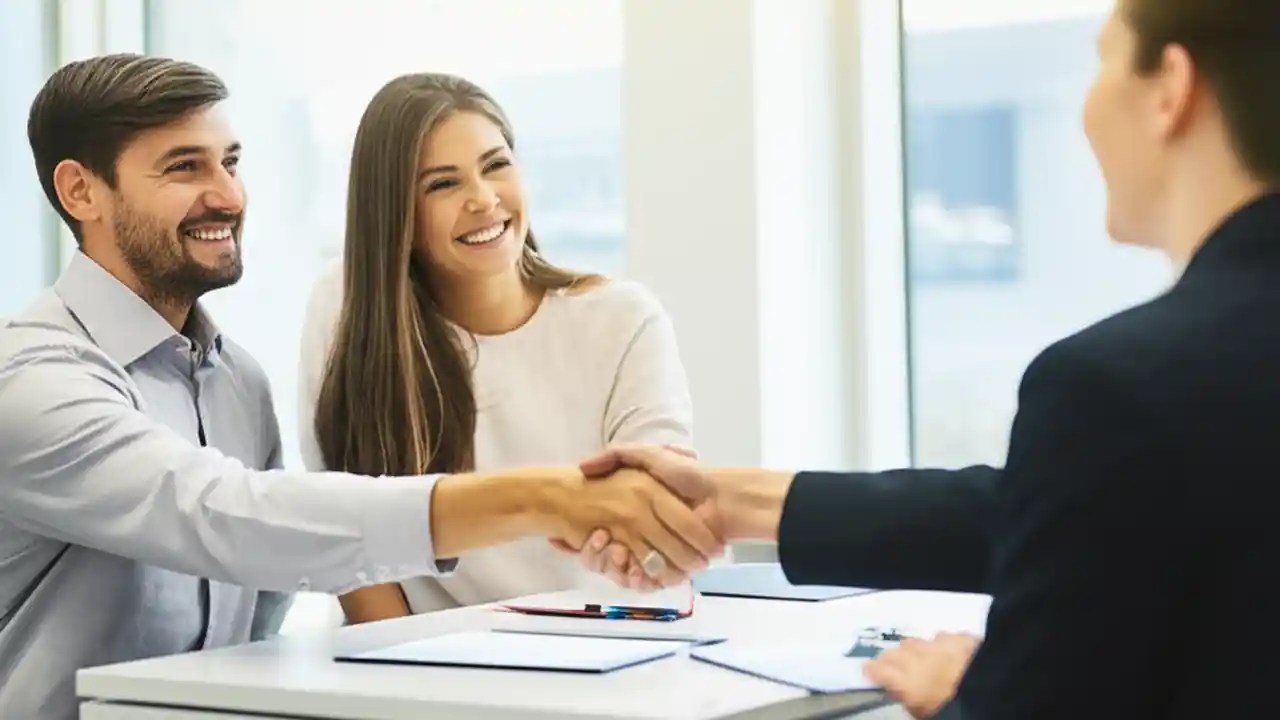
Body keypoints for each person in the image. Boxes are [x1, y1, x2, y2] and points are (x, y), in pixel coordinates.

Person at [573, 0, 1280, 717]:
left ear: (1171, 88)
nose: (1086, 107)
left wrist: (964, 696)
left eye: (1103, 60)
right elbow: (1078, 512)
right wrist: (737, 503)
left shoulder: (1116, 387)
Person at [0, 54, 718, 720]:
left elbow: (271, 591)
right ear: (80, 190)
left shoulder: (234, 380)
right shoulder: (32, 379)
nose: (227, 194)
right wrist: (543, 498)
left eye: (232, 162)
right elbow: (225, 517)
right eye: (185, 168)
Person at [296, 73, 698, 623]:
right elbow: (342, 535)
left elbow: (655, 516)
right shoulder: (347, 307)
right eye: (443, 184)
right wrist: (410, 680)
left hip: (610, 640)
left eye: (496, 165)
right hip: (422, 666)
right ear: (396, 216)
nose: (483, 200)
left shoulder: (622, 320)